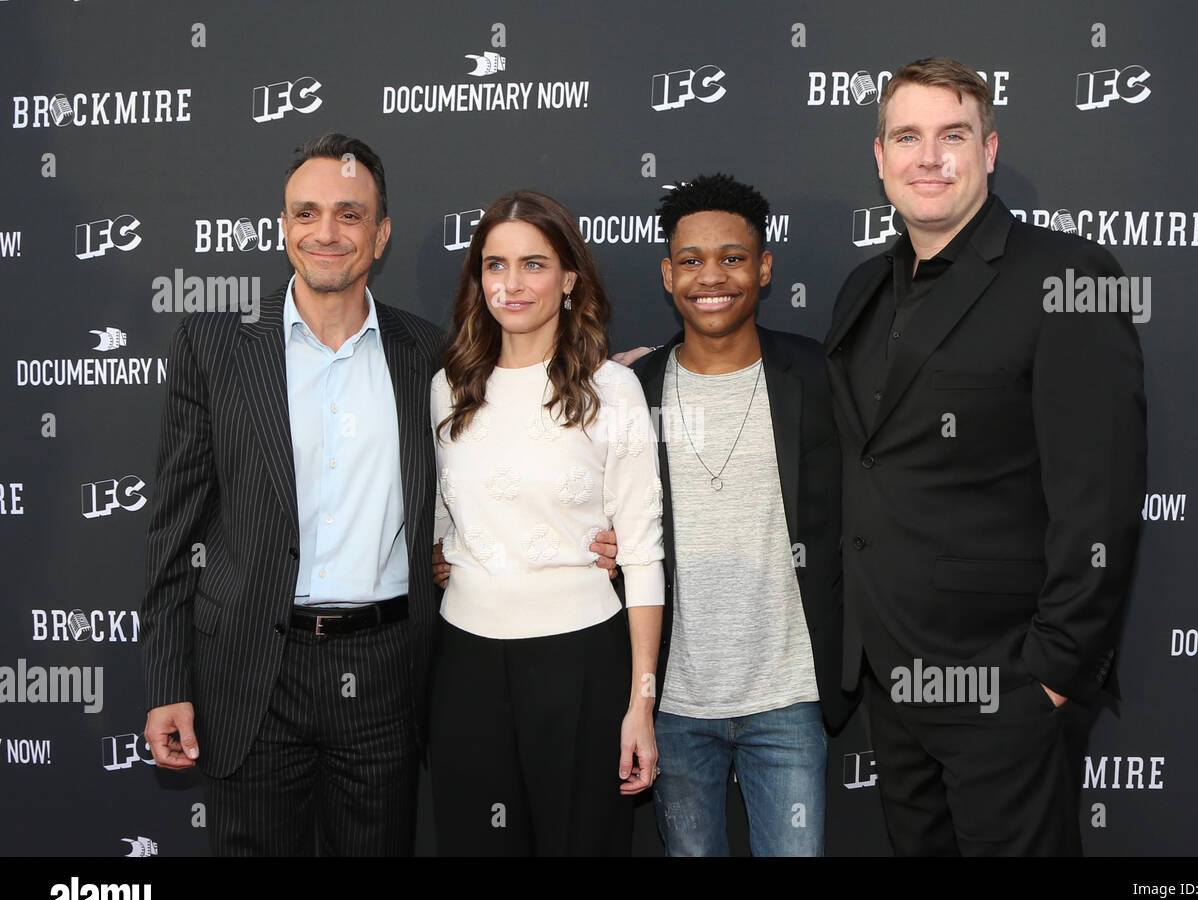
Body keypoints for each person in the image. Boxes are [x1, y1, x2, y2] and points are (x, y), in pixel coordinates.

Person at [826, 58, 1147, 855]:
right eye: (907, 135)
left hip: (1005, 687)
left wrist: (1050, 677)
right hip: (892, 685)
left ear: (990, 149)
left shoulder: (1069, 277)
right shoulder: (862, 289)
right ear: (879, 157)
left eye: (952, 135)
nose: (928, 157)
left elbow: (1100, 495)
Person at [139, 133, 445, 855]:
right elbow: (172, 531)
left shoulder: (429, 353)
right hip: (251, 667)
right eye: (306, 213)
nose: (326, 232)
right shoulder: (214, 347)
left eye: (349, 213)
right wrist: (166, 680)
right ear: (284, 229)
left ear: (381, 233)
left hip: (384, 669)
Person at [429, 190, 663, 856]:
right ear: (479, 278)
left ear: (568, 279)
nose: (512, 282)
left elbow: (643, 554)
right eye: (495, 264)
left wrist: (639, 703)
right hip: (466, 666)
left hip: (583, 660)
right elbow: (441, 523)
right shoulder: (448, 387)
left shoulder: (611, 389)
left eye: (534, 264)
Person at [630, 173, 857, 856]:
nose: (712, 276)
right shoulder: (630, 390)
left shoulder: (818, 376)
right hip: (672, 703)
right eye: (692, 260)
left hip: (787, 696)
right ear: (668, 275)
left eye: (732, 257)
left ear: (763, 268)